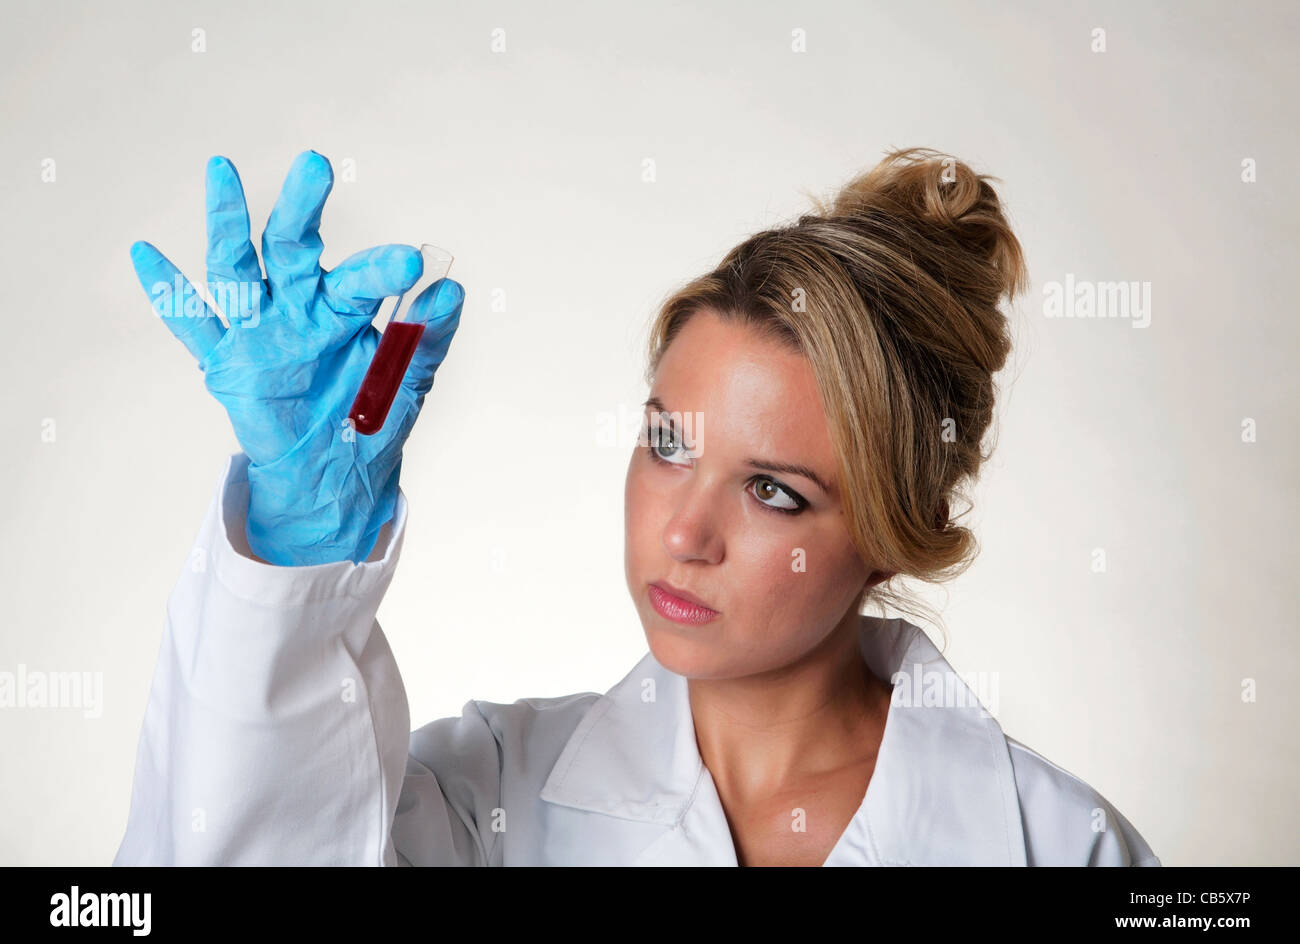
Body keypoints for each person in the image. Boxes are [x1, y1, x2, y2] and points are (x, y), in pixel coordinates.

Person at [113, 147, 1160, 866]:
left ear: (890, 534)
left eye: (771, 491)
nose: (681, 532)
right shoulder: (489, 800)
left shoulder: (1058, 845)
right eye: (668, 443)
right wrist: (294, 565)